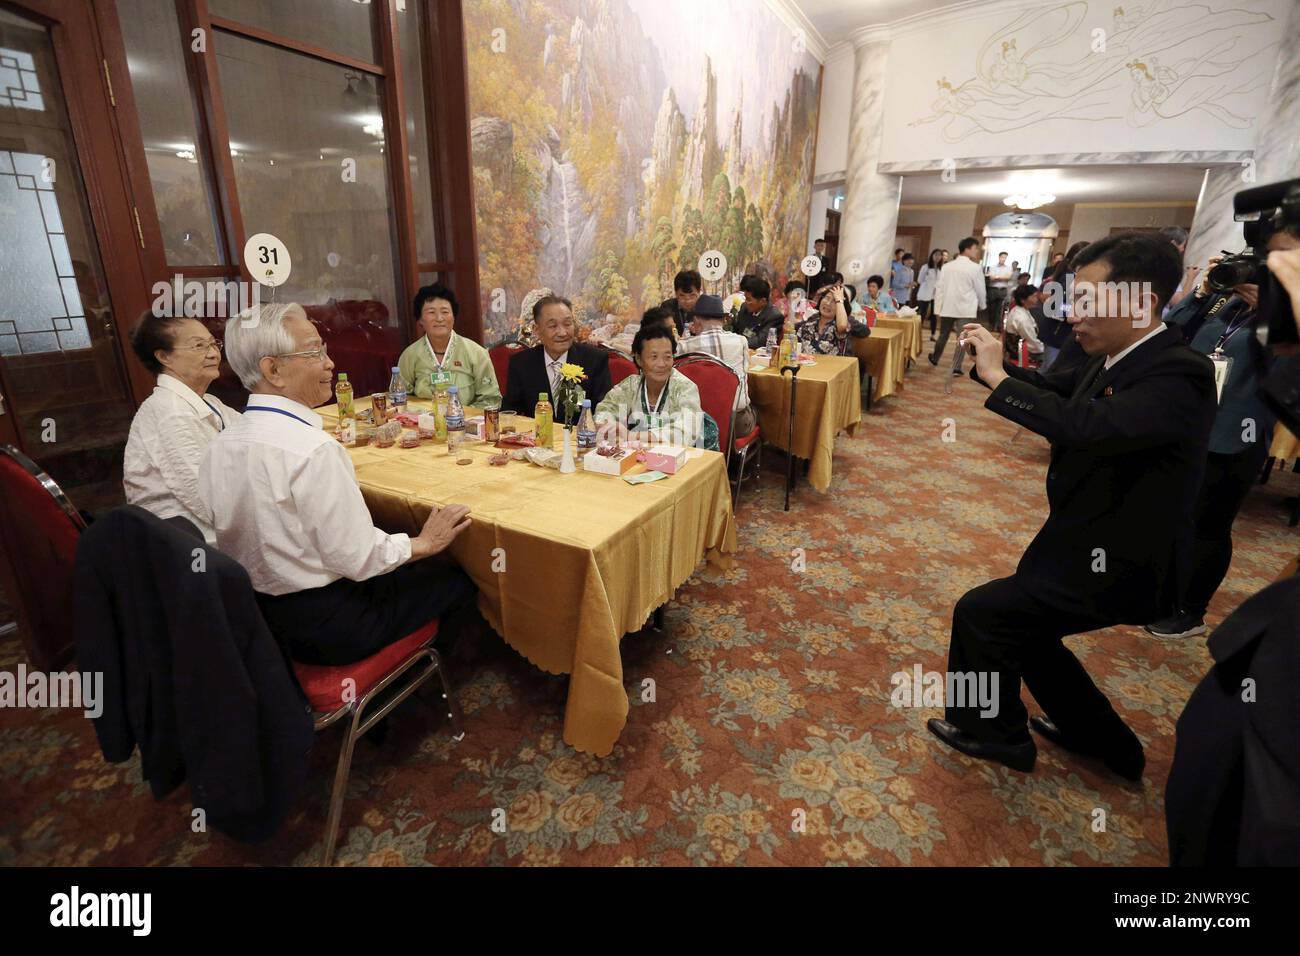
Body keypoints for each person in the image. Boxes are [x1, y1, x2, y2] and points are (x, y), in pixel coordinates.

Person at [926, 232, 1217, 776]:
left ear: (1141, 302)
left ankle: (995, 733)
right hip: (1081, 538)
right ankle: (1109, 745)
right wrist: (986, 364)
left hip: (1126, 557)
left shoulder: (1181, 373)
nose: (1072, 314)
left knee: (983, 614)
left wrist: (994, 377)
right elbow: (1048, 389)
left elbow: (1089, 427)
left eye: (1087, 301)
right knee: (1026, 632)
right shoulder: (1109, 357)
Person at [199, 302, 479, 666]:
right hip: (330, 623)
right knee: (457, 580)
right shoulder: (312, 450)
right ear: (274, 369)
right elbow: (358, 558)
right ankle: (414, 689)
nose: (330, 363)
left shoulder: (220, 444)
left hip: (259, 616)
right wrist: (424, 543)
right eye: (315, 352)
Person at [1146, 227, 1300, 638]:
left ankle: (1191, 610)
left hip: (1235, 433)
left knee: (1208, 524)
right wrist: (1200, 293)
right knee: (1173, 514)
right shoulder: (1223, 303)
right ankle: (1163, 592)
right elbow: (1169, 332)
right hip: (1187, 425)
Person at [123, 312, 241, 544]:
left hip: (217, 523)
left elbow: (254, 435)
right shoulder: (171, 412)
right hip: (187, 542)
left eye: (213, 343)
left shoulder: (208, 401)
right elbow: (209, 504)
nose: (213, 353)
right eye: (199, 346)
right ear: (164, 356)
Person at [502, 295, 612, 415]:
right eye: (553, 326)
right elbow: (510, 413)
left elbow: (605, 412)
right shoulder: (521, 363)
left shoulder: (595, 360)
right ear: (536, 330)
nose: (562, 332)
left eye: (567, 324)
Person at [596, 323, 702, 447]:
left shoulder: (685, 388)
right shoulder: (631, 386)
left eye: (667, 357)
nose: (661, 364)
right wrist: (611, 426)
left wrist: (632, 436)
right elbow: (605, 409)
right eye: (654, 357)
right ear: (639, 359)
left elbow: (686, 431)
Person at [397, 282, 500, 407]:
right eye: (431, 312)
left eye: (445, 312)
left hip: (466, 423)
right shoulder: (409, 355)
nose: (439, 318)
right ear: (420, 320)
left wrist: (462, 416)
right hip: (424, 424)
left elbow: (492, 400)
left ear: (453, 317)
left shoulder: (476, 353)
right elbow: (400, 400)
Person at [677, 294, 757, 436]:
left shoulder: (684, 346)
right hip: (735, 424)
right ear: (723, 319)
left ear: (696, 320)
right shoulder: (740, 341)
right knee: (757, 409)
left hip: (696, 422)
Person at [927, 236, 987, 374]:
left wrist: (937, 308)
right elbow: (980, 289)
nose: (977, 251)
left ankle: (935, 358)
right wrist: (983, 305)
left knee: (943, 335)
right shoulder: (975, 268)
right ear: (967, 249)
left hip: (948, 307)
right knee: (962, 338)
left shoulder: (947, 267)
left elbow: (939, 289)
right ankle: (956, 366)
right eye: (975, 248)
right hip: (965, 309)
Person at [797, 283, 869, 356]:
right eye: (827, 298)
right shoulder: (811, 322)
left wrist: (839, 300)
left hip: (833, 366)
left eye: (834, 301)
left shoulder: (840, 324)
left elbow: (842, 326)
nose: (828, 303)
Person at [733, 275, 785, 349]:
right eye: (745, 298)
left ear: (762, 301)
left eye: (749, 299)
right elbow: (737, 330)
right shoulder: (744, 308)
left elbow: (759, 342)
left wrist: (735, 343)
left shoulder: (774, 317)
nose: (745, 302)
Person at [1003, 284, 1045, 361]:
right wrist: (1044, 349)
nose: (1036, 299)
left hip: (1019, 347)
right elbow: (1032, 344)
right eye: (1033, 296)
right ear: (1023, 300)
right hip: (1021, 351)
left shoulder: (1020, 310)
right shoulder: (1022, 318)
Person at [660, 269, 701, 336]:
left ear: (699, 292)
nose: (688, 301)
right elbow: (663, 334)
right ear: (676, 294)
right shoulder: (667, 307)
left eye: (692, 295)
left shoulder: (705, 308)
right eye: (682, 296)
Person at [917, 249, 944, 340]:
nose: (938, 257)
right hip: (925, 293)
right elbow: (919, 280)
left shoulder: (942, 268)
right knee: (922, 314)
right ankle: (917, 333)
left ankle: (933, 334)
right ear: (932, 256)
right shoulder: (925, 267)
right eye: (936, 255)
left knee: (934, 315)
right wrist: (929, 284)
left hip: (936, 295)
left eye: (940, 255)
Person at [986, 251, 1014, 332]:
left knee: (1000, 309)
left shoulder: (1008, 268)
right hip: (993, 290)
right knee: (991, 308)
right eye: (1002, 257)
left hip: (1002, 290)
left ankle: (998, 326)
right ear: (999, 257)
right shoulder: (993, 267)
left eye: (1005, 257)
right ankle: (991, 325)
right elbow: (991, 278)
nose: (1003, 259)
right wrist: (1002, 277)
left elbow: (1008, 277)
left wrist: (997, 277)